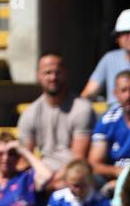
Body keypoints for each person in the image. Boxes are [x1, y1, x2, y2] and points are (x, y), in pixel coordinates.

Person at [17, 55, 94, 192]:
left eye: (57, 72)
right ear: (39, 76)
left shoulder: (82, 108)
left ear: (66, 74)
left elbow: (79, 157)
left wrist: (52, 182)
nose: (53, 77)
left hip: (74, 175)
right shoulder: (30, 113)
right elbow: (25, 158)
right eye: (47, 73)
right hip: (43, 174)